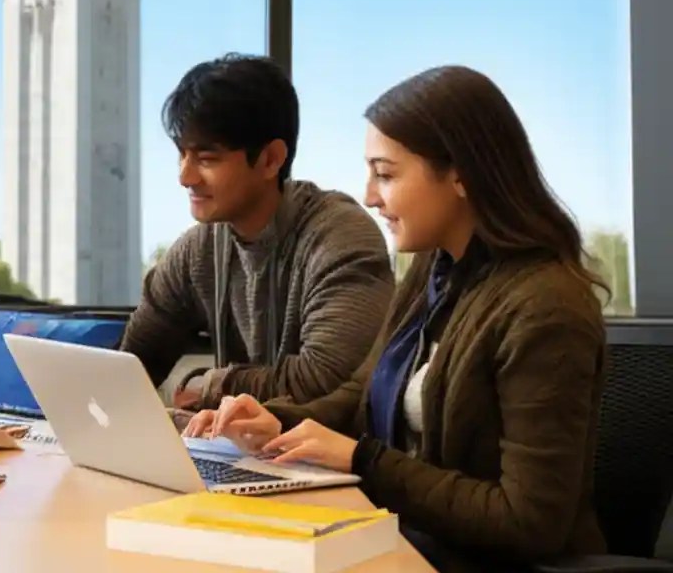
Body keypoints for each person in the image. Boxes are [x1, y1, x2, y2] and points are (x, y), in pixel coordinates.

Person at [184, 65, 608, 572]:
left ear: (460, 174)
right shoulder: (438, 269)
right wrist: (278, 421)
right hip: (406, 542)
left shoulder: (546, 306)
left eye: (385, 174)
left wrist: (361, 460)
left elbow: (528, 521)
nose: (369, 195)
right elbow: (359, 397)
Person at [120, 54, 394, 416]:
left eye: (206, 158)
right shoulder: (196, 250)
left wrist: (215, 384)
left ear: (270, 159)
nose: (185, 177)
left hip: (328, 462)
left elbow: (325, 380)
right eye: (182, 155)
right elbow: (130, 367)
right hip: (247, 455)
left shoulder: (341, 238)